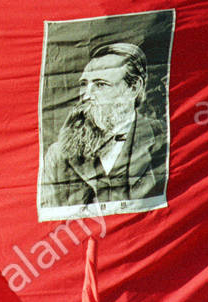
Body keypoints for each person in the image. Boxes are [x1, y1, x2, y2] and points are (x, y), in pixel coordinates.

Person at [40, 42, 167, 209]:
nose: (86, 95)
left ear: (133, 87)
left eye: (100, 84)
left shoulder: (164, 140)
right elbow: (50, 217)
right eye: (84, 84)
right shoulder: (58, 155)